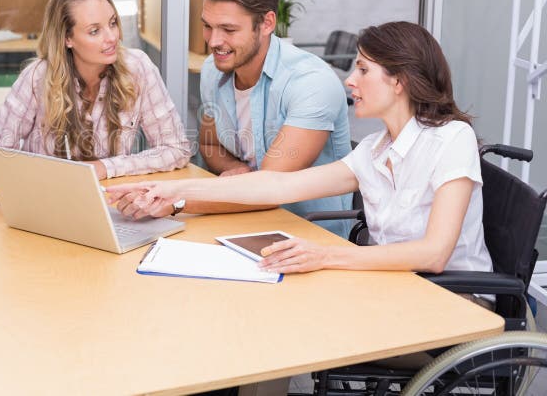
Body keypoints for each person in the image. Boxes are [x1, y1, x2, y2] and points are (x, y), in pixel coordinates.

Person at [108, 22, 493, 292]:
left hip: (451, 298)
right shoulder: (375, 150)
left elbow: (434, 254)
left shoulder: (451, 140)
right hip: (392, 285)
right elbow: (279, 183)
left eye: (363, 69)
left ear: (399, 80)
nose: (350, 80)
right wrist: (170, 191)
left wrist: (324, 255)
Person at [115, 0, 353, 235]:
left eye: (228, 30)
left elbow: (270, 188)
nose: (213, 41)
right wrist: (234, 167)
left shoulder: (311, 83)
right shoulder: (213, 72)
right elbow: (210, 143)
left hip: (311, 232)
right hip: (243, 221)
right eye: (208, 26)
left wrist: (175, 200)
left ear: (266, 23)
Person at [0, 0, 191, 178]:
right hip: (49, 199)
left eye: (112, 23)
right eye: (95, 31)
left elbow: (176, 148)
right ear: (67, 38)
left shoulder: (137, 67)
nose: (111, 37)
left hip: (113, 198)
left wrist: (105, 167)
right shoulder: (36, 77)